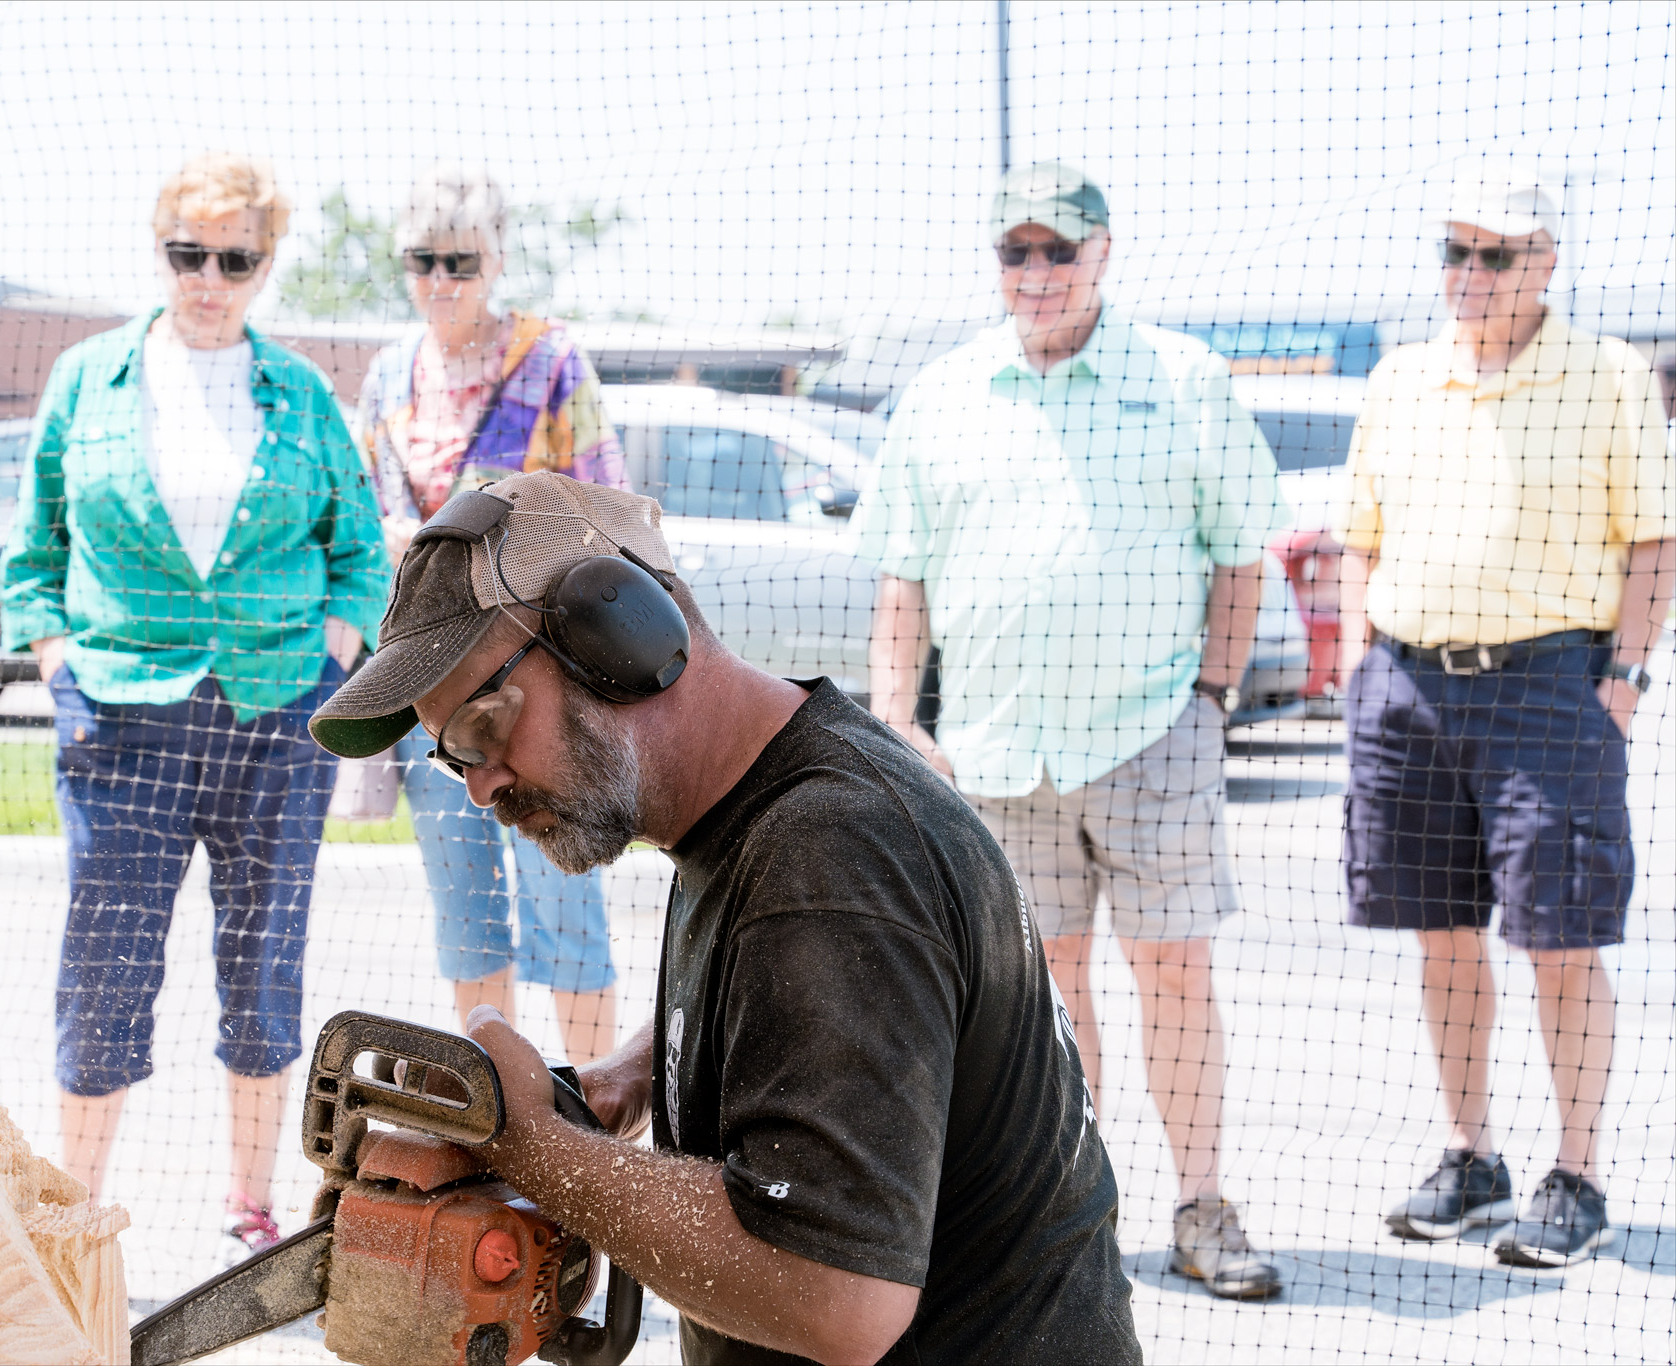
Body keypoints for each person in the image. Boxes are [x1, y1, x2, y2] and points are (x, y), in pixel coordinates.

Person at [307, 471, 1141, 1365]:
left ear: (616, 638)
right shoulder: (764, 800)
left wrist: (536, 1145)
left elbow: (838, 1299)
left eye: (482, 727)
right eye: (450, 757)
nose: (479, 786)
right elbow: (807, 1004)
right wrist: (618, 1082)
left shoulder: (829, 856)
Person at [851, 161, 1290, 1300]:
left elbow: (1241, 549)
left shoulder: (1181, 379)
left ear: (1103, 252)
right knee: (1039, 993)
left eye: (1060, 249)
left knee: (1173, 973)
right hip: (993, 755)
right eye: (1016, 251)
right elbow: (900, 579)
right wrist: (896, 717)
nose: (1036, 272)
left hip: (1148, 735)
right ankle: (1067, 1209)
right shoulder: (941, 394)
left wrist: (1212, 700)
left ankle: (1201, 1204)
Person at [0, 152, 390, 1262]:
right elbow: (34, 549)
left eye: (236, 258)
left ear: (265, 265)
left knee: (264, 958)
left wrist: (331, 657)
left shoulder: (304, 395)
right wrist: (59, 668)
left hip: (276, 715)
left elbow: (358, 551)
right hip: (121, 716)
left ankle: (251, 1204)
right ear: (158, 247)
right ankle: (71, 1211)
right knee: (104, 962)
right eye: (188, 253)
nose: (209, 278)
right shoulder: (87, 380)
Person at [1335, 175, 1673, 1267]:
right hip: (1407, 692)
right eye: (1455, 251)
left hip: (1546, 690)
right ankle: (1469, 1157)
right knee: (1440, 939)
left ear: (1544, 263)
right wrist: (1354, 671)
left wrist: (1620, 680)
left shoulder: (1611, 377)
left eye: (1495, 255)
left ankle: (1574, 1174)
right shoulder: (1399, 378)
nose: (1468, 276)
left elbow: (1652, 542)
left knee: (1560, 942)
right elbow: (1359, 536)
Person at [354, 164, 626, 1064]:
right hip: (430, 680)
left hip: (539, 677)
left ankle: (594, 1116)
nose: (440, 281)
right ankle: (501, 1113)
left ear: (498, 257)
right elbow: (364, 520)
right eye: (421, 260)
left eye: (460, 262)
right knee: (464, 906)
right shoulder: (388, 374)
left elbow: (608, 511)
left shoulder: (551, 363)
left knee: (564, 894)